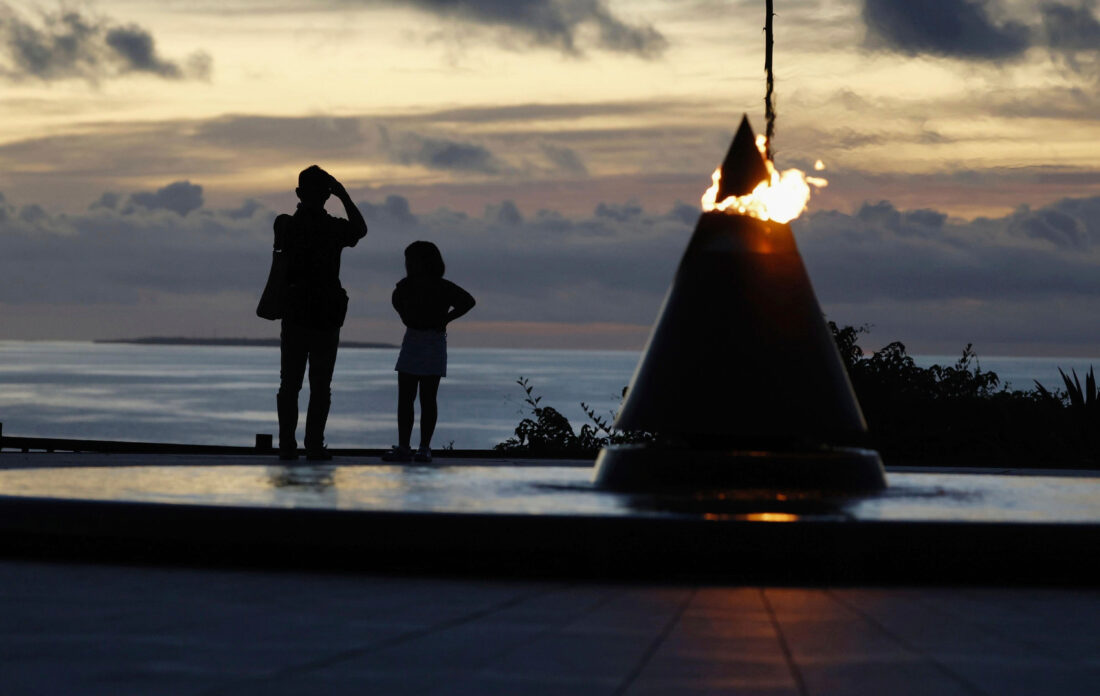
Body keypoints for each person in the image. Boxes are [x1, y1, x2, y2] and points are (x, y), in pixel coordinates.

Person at [275, 165, 367, 460]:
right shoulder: (331, 228)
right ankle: (313, 444)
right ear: (327, 195)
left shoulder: (287, 225)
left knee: (290, 384)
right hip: (325, 313)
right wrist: (343, 195)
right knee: (320, 386)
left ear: (299, 193)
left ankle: (287, 445)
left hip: (297, 311)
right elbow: (360, 229)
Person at [382, 241, 475, 463]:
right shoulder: (411, 286)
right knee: (411, 397)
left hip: (431, 341)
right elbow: (399, 304)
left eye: (411, 260)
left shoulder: (437, 286)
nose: (408, 264)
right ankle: (408, 446)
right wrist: (442, 318)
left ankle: (421, 447)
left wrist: (446, 319)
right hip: (418, 339)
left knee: (424, 397)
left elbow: (468, 301)